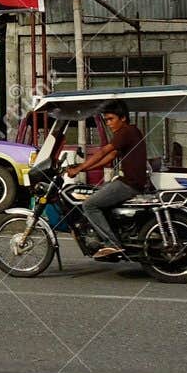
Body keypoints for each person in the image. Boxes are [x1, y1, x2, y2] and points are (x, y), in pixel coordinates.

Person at [64, 101, 151, 259]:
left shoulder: (126, 131)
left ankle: (112, 243)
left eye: (111, 119)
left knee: (89, 204)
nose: (109, 123)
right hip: (129, 182)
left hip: (129, 184)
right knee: (98, 193)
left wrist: (78, 169)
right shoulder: (128, 133)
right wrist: (84, 168)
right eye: (106, 120)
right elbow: (110, 157)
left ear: (123, 118)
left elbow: (104, 151)